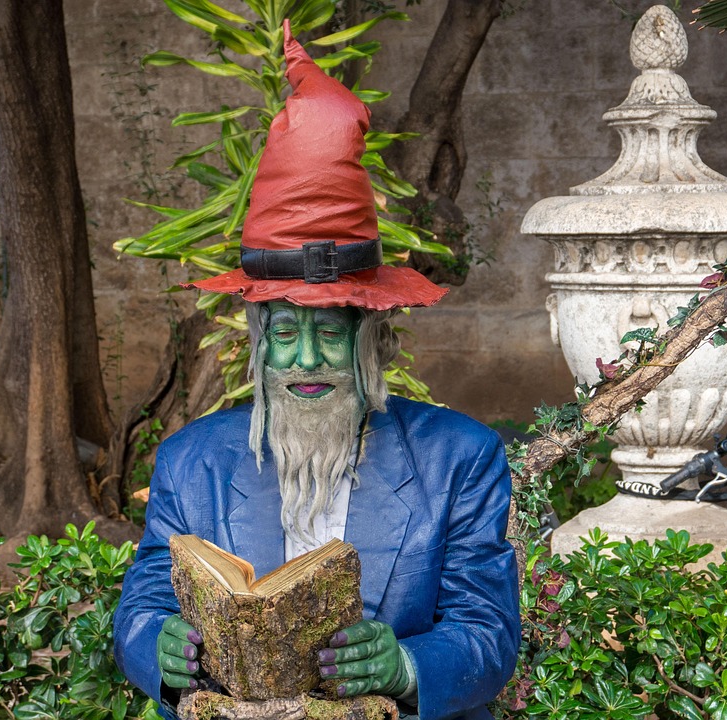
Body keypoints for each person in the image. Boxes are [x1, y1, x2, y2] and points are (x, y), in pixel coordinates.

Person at [113, 21, 519, 720]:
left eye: (329, 334)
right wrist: (163, 650)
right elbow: (144, 605)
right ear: (257, 344)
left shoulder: (461, 460)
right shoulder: (191, 463)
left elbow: (487, 633)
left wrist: (405, 666)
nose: (304, 359)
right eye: (285, 335)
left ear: (375, 341)